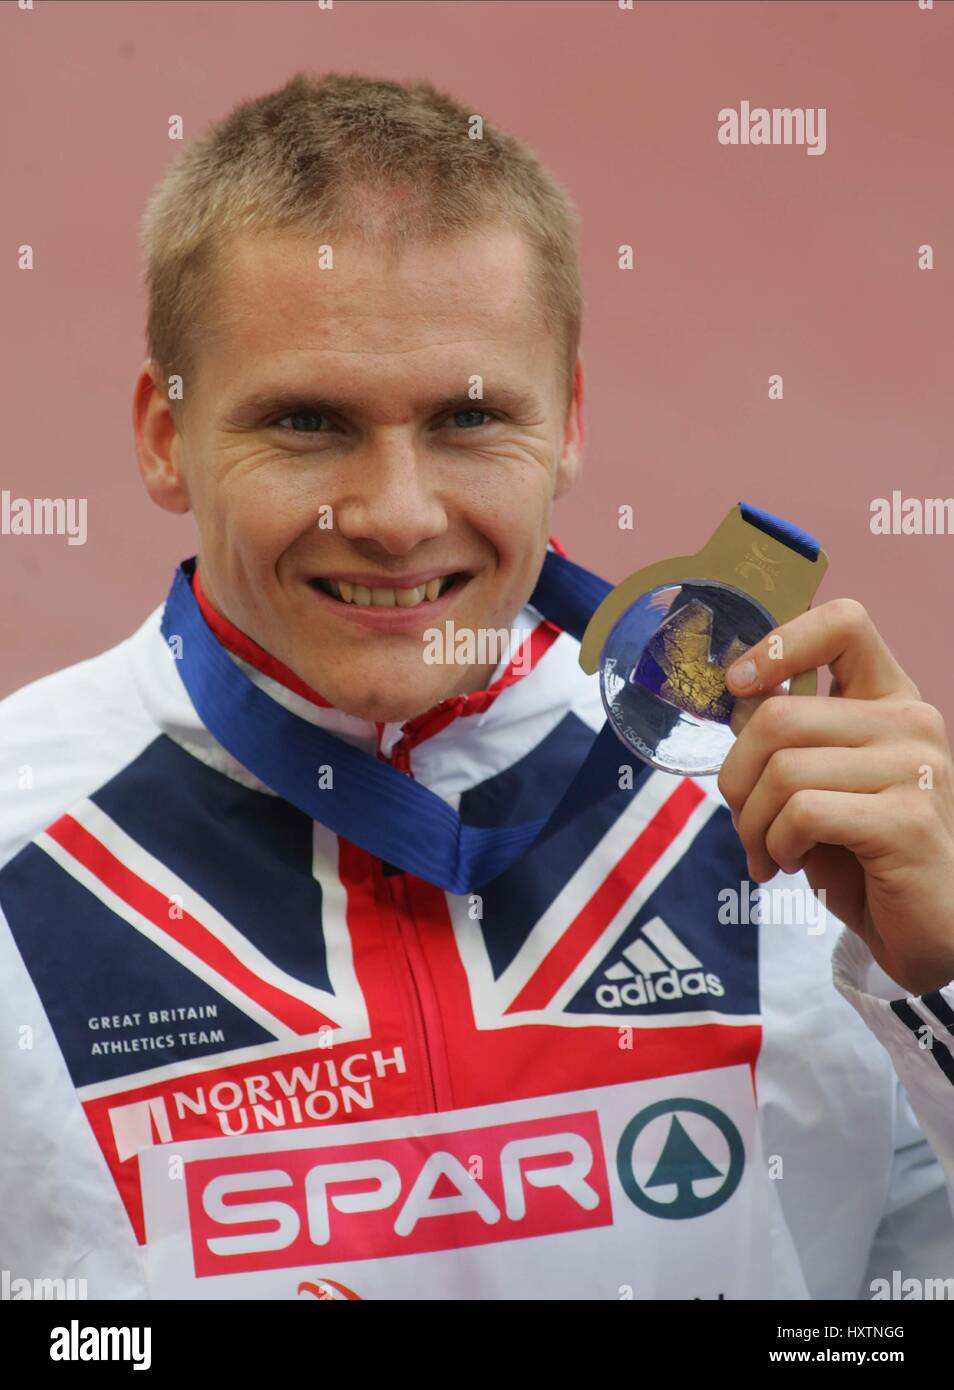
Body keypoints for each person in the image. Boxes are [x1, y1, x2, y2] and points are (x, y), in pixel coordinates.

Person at [1, 72, 953, 1302]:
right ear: (162, 435)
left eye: (466, 418)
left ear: (566, 421)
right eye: (306, 421)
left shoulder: (796, 817)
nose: (398, 516)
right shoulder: (23, 843)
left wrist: (943, 977)